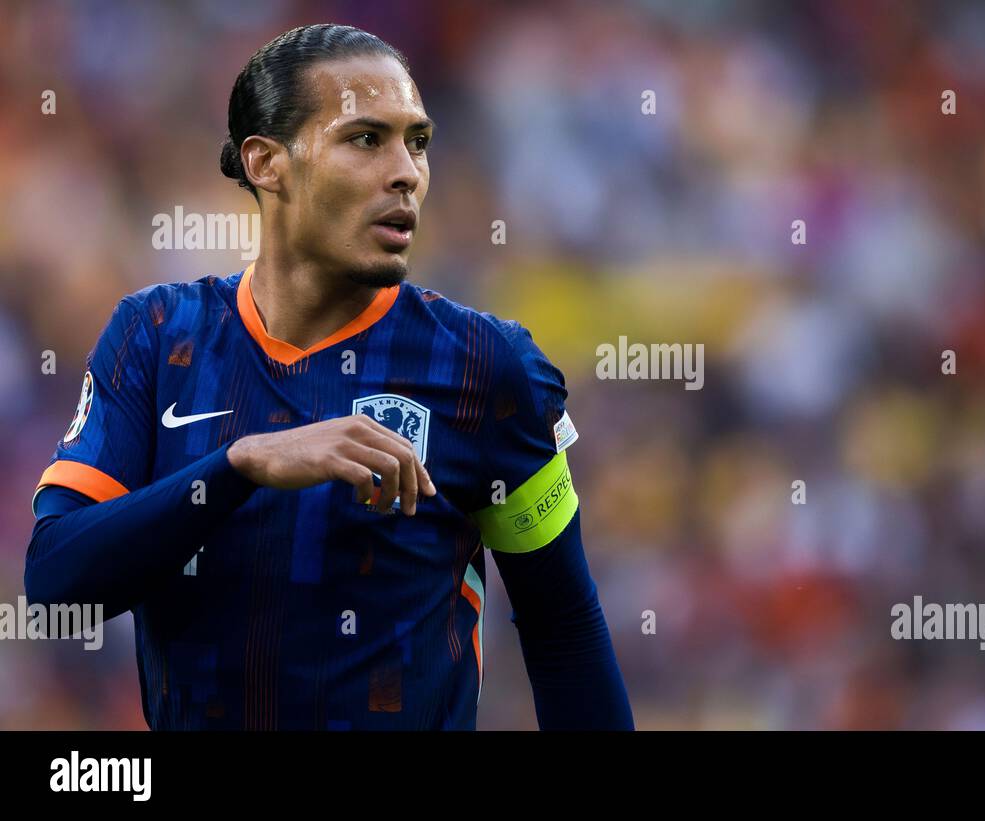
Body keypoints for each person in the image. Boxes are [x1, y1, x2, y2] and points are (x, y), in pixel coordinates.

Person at [25, 23, 634, 731]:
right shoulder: (157, 337)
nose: (406, 170)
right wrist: (237, 468)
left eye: (419, 141)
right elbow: (54, 588)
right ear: (266, 163)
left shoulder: (486, 367)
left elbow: (564, 630)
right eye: (367, 139)